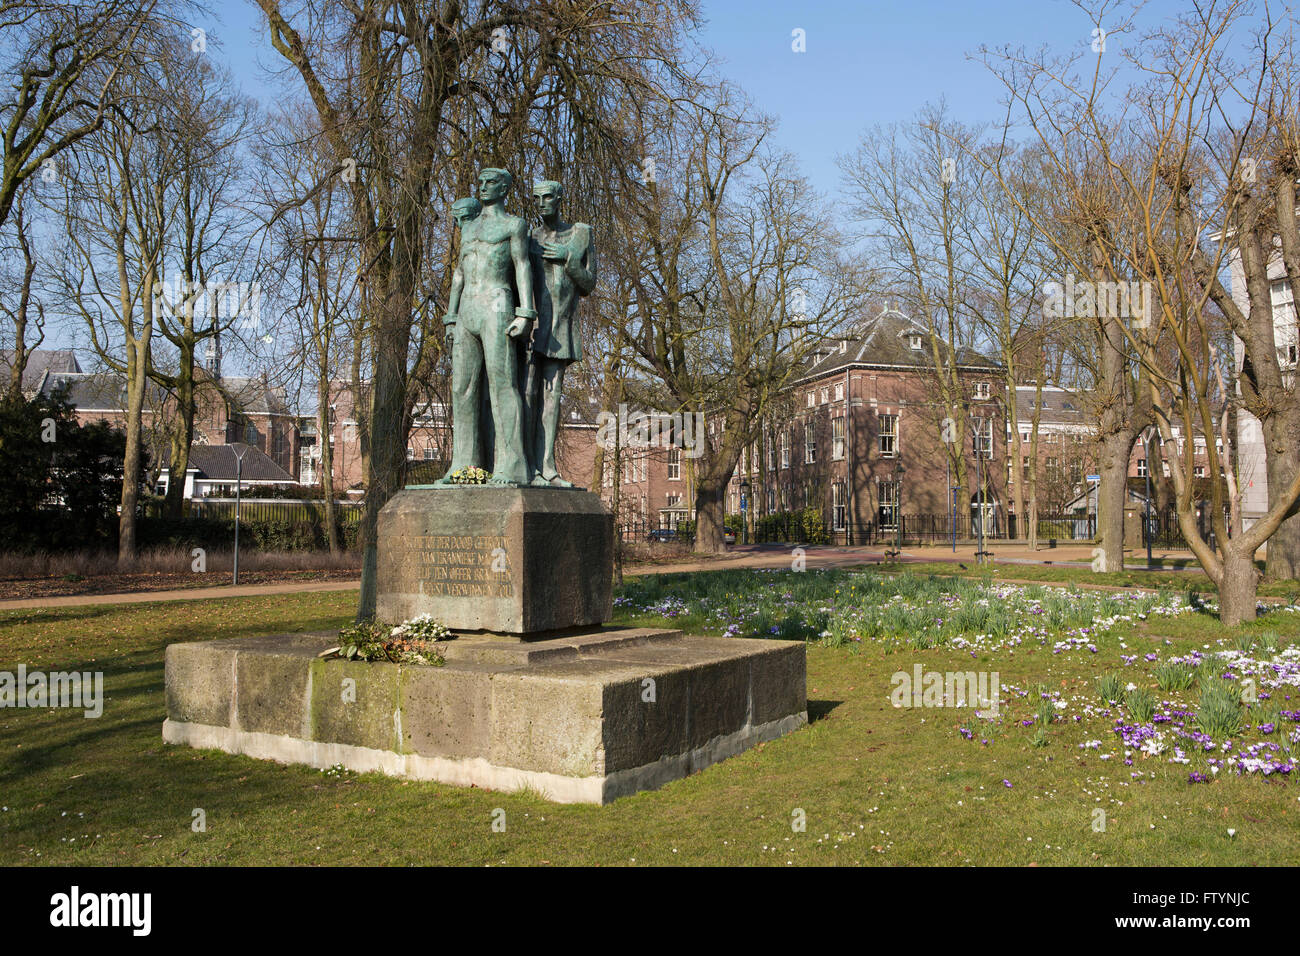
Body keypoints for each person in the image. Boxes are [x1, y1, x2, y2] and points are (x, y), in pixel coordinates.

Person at [437, 169, 535, 486]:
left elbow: (522, 265)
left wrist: (525, 313)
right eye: (479, 182)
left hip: (497, 302)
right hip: (467, 307)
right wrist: (451, 316)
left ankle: (513, 464)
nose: (482, 187)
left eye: (490, 182)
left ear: (505, 187)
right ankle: (464, 465)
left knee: (503, 384)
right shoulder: (469, 228)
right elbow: (459, 275)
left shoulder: (513, 225)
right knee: (461, 388)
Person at [524, 179, 596, 487]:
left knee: (552, 399)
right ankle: (526, 467)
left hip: (560, 326)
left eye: (547, 197)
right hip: (532, 326)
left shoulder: (581, 233)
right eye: (537, 198)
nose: (541, 204)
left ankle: (548, 466)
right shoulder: (529, 236)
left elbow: (589, 283)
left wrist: (567, 258)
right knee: (526, 396)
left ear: (559, 198)